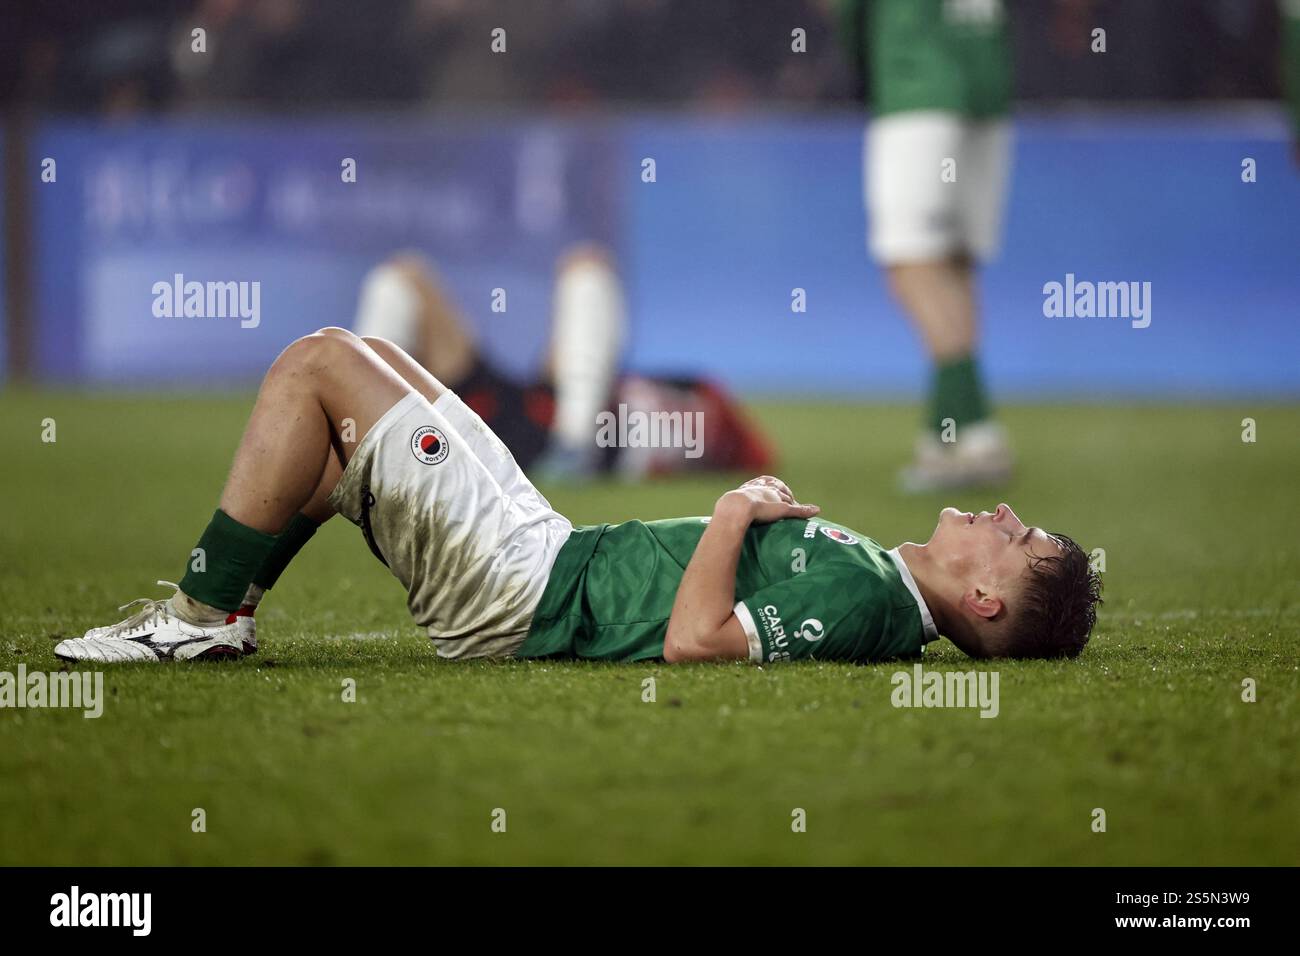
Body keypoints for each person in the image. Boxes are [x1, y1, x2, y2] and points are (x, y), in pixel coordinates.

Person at [56, 329, 1100, 665]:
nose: (1002, 515)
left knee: (316, 364)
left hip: (527, 591)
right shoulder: (875, 575)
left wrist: (734, 507)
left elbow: (695, 641)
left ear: (989, 602)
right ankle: (223, 619)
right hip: (547, 548)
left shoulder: (874, 602)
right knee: (346, 412)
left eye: (1018, 540)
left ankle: (194, 618)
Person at [351, 244, 773, 480]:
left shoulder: (699, 403)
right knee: (404, 275)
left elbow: (749, 454)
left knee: (587, 265)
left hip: (581, 430)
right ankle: (364, 439)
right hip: (534, 414)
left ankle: (366, 443)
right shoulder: (697, 391)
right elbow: (755, 456)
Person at [838, 0, 1015, 491]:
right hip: (987, 87)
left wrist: (859, 65)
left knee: (911, 265)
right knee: (952, 264)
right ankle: (945, 434)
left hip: (916, 84)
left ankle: (977, 429)